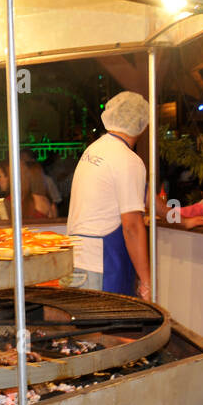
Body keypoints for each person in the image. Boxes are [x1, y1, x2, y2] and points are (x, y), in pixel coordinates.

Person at [66, 91, 151, 299]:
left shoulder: (95, 150)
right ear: (142, 124)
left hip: (76, 266)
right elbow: (132, 227)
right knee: (106, 331)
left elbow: (144, 194)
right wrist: (147, 282)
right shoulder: (128, 160)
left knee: (84, 332)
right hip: (100, 269)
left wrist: (177, 216)